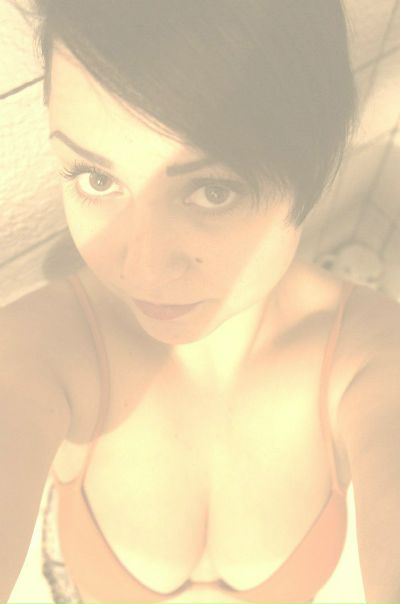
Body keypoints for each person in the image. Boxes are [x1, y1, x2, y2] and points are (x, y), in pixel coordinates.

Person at [2, 1, 400, 603]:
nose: (142, 271)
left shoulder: (374, 360)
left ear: (311, 165)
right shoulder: (37, 354)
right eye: (95, 178)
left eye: (214, 190)